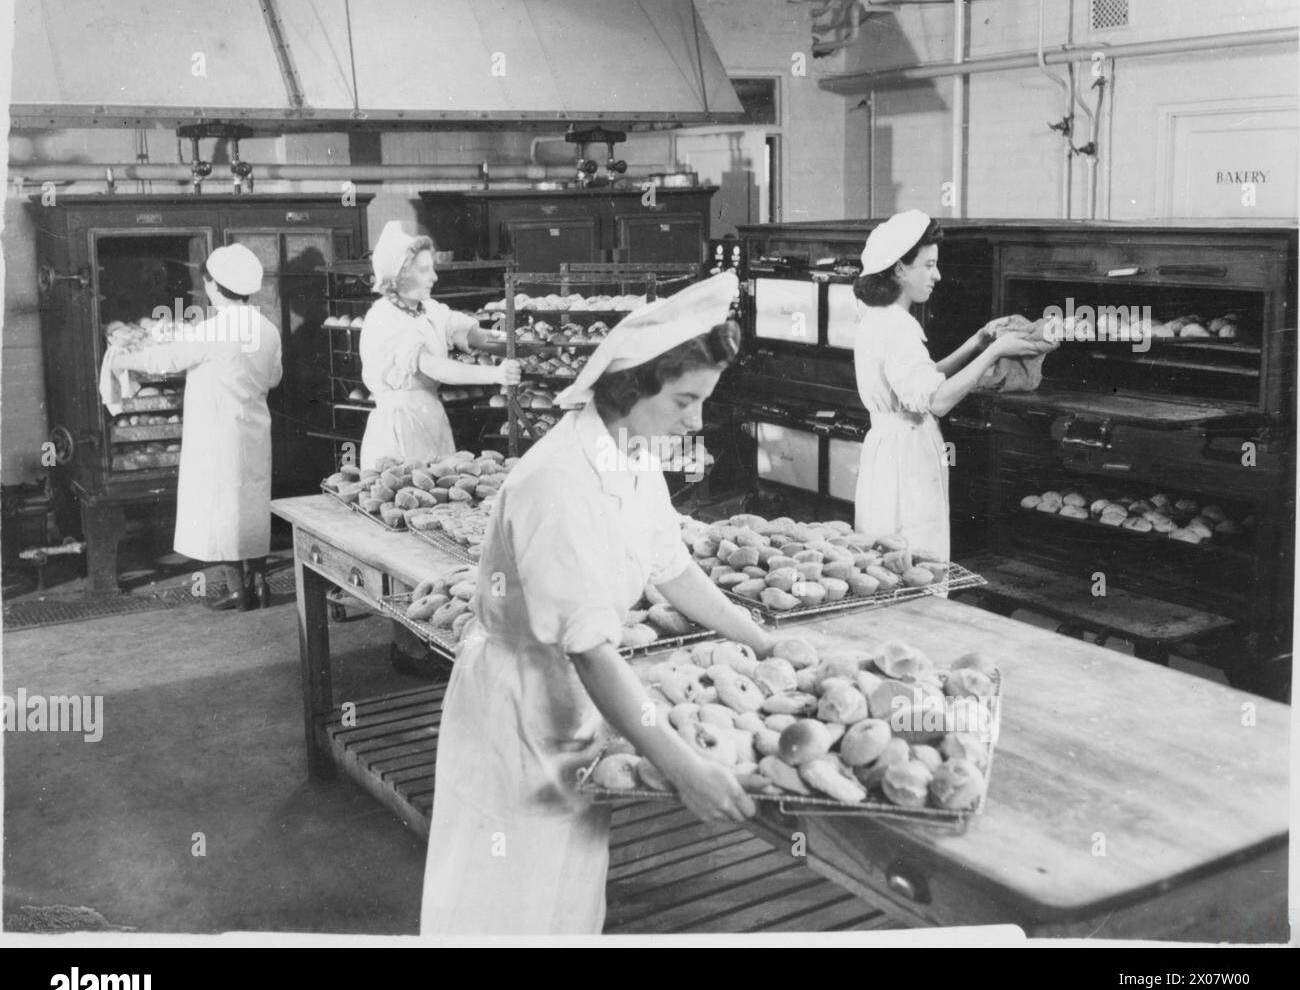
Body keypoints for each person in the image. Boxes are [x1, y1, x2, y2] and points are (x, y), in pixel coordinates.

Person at [421, 272, 774, 935]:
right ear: (632, 385)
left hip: (575, 705)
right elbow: (587, 649)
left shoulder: (632, 451)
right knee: (505, 899)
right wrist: (681, 764)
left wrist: (761, 640)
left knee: (569, 892)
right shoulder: (557, 481)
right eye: (685, 400)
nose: (697, 420)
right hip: (517, 704)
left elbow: (673, 566)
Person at [853, 210, 1039, 561]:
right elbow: (936, 401)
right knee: (913, 557)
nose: (936, 275)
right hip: (906, 455)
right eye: (928, 265)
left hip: (888, 448)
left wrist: (977, 343)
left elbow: (920, 384)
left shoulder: (879, 319)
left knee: (886, 555)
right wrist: (997, 351)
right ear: (899, 269)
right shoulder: (899, 327)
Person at [107, 243, 283, 610]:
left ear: (213, 286)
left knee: (223, 511)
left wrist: (124, 360)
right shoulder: (267, 328)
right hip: (253, 428)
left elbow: (166, 359)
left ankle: (237, 591)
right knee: (251, 505)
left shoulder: (213, 329)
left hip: (217, 433)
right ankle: (260, 584)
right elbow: (274, 377)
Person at [358, 221, 521, 469]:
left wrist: (522, 342)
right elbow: (436, 368)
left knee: (439, 496)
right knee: (406, 495)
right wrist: (495, 374)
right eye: (424, 270)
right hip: (399, 424)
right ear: (398, 275)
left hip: (432, 416)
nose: (434, 277)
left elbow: (476, 335)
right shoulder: (384, 318)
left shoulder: (429, 310)